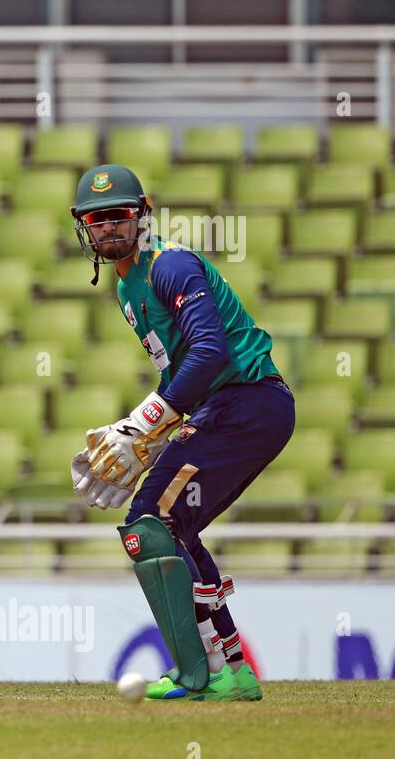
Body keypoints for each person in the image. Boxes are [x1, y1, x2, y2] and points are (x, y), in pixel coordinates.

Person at [68, 165, 294, 701]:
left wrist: (142, 424)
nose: (108, 228)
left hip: (248, 400)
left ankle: (200, 676)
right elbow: (176, 373)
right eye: (96, 220)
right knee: (171, 527)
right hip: (231, 407)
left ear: (142, 213)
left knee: (147, 523)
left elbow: (211, 351)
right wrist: (141, 439)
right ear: (83, 227)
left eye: (118, 215)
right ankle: (233, 671)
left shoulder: (171, 266)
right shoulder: (128, 290)